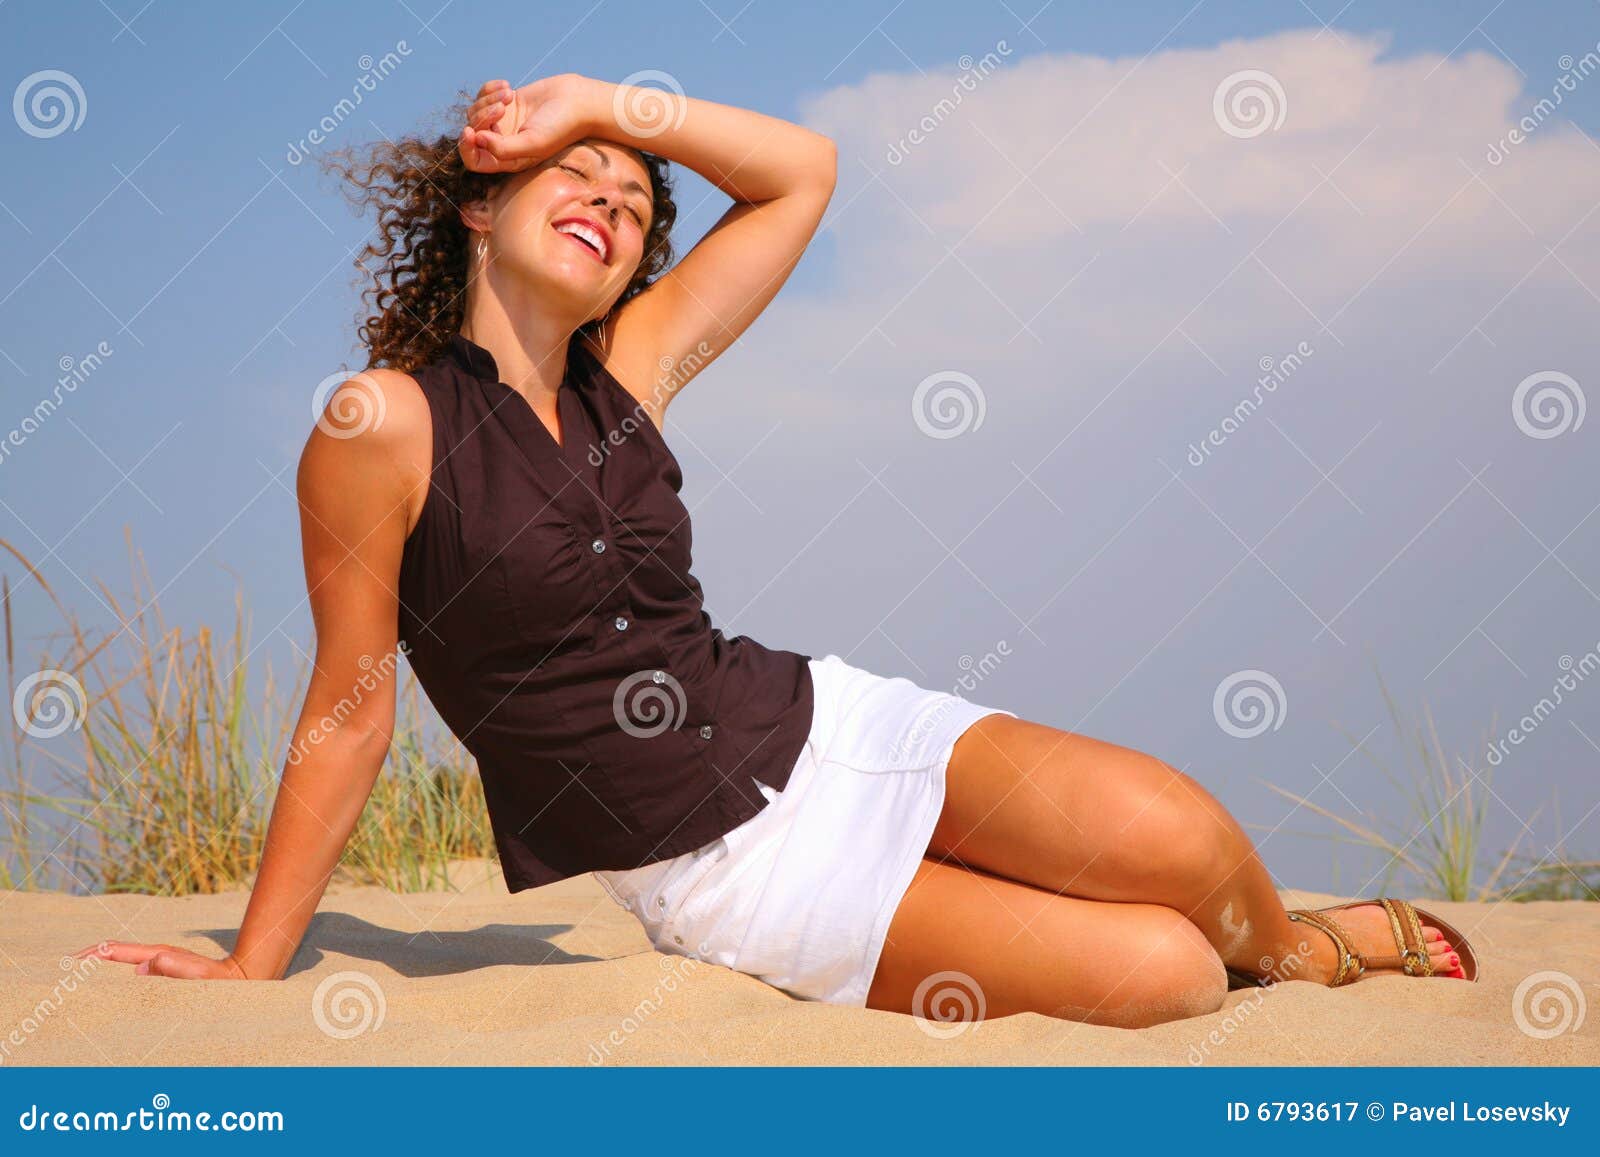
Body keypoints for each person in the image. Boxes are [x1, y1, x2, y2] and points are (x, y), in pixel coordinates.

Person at [78, 74, 1476, 1028]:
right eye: (574, 176)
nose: (613, 203)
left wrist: (599, 104)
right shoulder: (379, 422)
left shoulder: (636, 362)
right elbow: (351, 703)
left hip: (825, 725)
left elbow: (804, 173)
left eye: (633, 200)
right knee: (1169, 974)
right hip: (723, 873)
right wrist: (257, 969)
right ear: (476, 205)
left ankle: (1300, 946)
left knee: (1175, 833)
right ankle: (1230, 954)